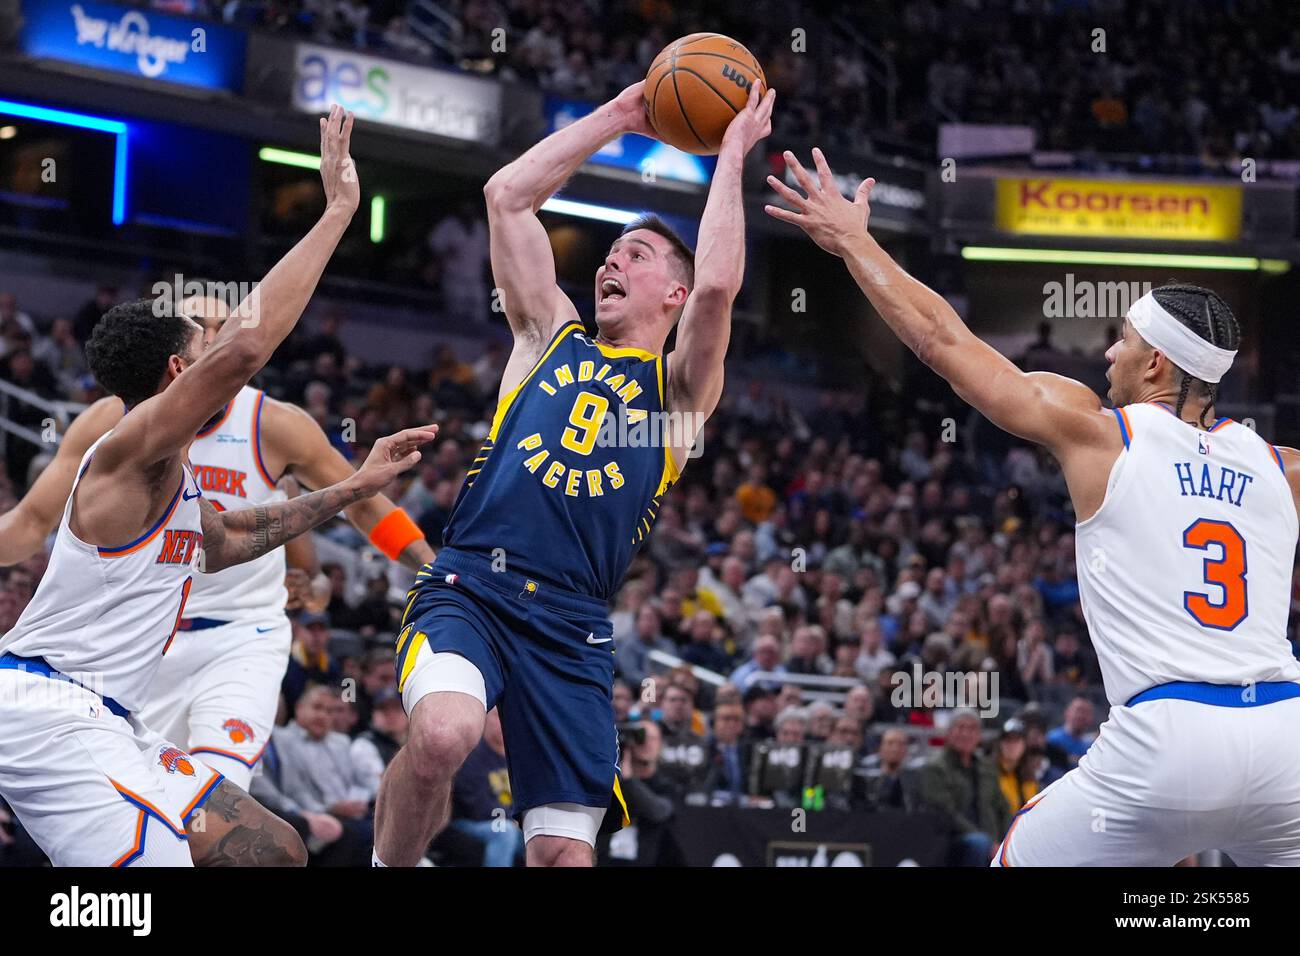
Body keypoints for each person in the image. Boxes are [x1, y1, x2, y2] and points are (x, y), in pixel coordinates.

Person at [769, 147, 1300, 865]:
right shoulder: (1281, 467)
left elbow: (941, 340)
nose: (1109, 354)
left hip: (1166, 738)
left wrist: (854, 241)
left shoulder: (1099, 433)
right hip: (1283, 738)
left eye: (1123, 341)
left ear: (1155, 366)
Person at [0, 107, 437, 867]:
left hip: (129, 707)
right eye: (203, 341)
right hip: (52, 710)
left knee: (273, 850)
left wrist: (352, 488)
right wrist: (337, 211)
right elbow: (243, 350)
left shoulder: (177, 473)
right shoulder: (126, 446)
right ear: (179, 374)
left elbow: (231, 538)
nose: (224, 344)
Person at [373, 80, 775, 868]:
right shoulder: (548, 337)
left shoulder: (680, 397)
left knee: (563, 853)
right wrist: (623, 117)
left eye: (639, 253)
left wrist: (731, 153)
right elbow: (508, 199)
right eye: (611, 250)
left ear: (674, 293)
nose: (612, 260)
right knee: (445, 734)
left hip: (572, 626)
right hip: (473, 589)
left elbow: (722, 284)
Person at [0, 305, 434, 791]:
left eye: (219, 332)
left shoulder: (274, 422)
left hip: (241, 634)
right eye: (199, 332)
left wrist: (431, 569)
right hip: (145, 644)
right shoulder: (112, 419)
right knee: (147, 801)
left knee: (217, 789)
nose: (213, 341)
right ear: (176, 357)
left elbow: (364, 502)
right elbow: (32, 519)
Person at [252, 684, 375, 867]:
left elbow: (359, 782)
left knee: (381, 828)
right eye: (317, 708)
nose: (322, 716)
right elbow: (293, 790)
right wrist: (325, 809)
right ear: (298, 708)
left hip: (353, 811)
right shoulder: (286, 740)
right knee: (356, 835)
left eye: (329, 711)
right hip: (309, 813)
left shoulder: (342, 742)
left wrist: (360, 802)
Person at [448, 708, 524, 867]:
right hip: (469, 823)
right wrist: (513, 820)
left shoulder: (519, 757)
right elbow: (478, 807)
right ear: (485, 719)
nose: (504, 722)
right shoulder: (471, 756)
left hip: (508, 822)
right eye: (498, 717)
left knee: (541, 837)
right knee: (504, 832)